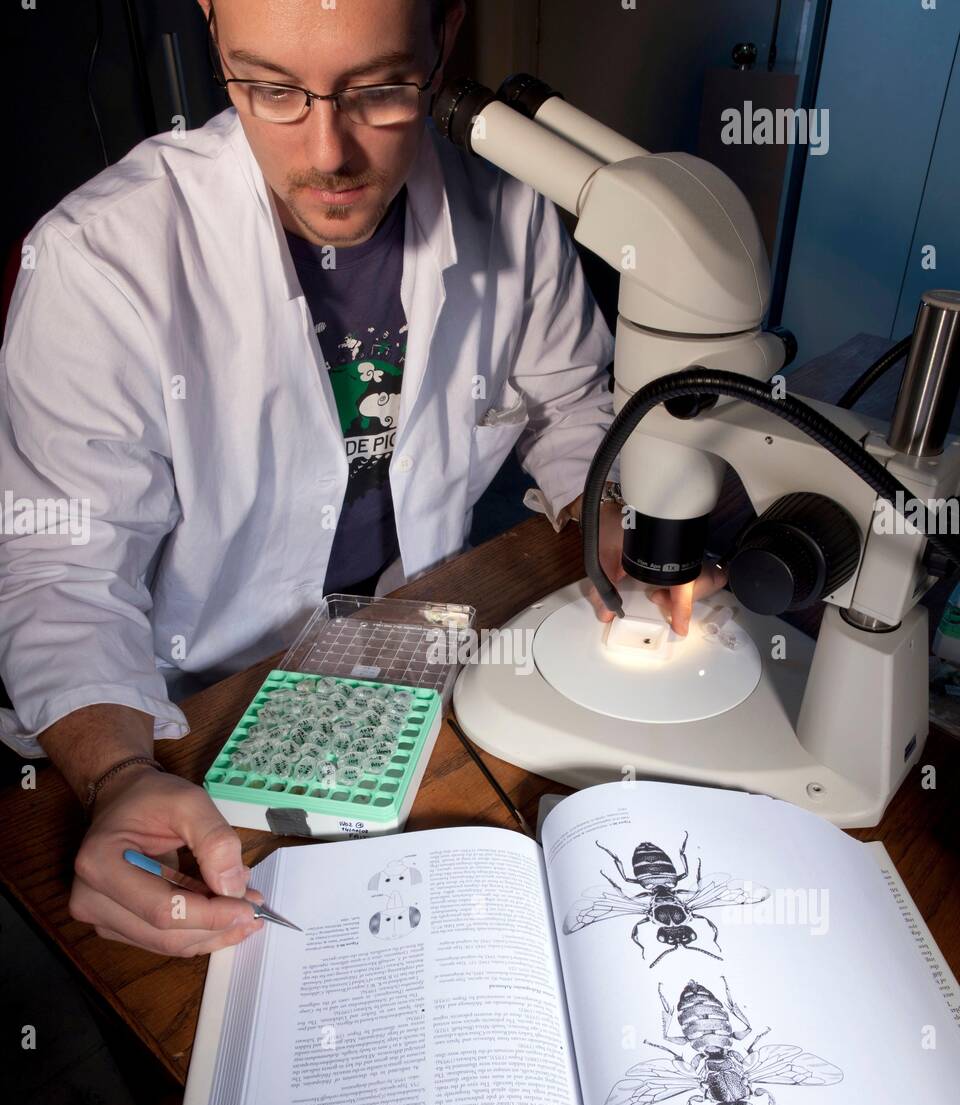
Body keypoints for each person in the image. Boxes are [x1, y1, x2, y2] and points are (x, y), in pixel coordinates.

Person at [0, 0, 725, 957]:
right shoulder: (102, 260)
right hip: (188, 708)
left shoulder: (508, 203)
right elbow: (61, 571)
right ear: (213, 27)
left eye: (380, 90)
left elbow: (569, 400)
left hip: (411, 642)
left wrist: (610, 519)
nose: (328, 153)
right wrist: (118, 776)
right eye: (270, 89)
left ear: (447, 35)